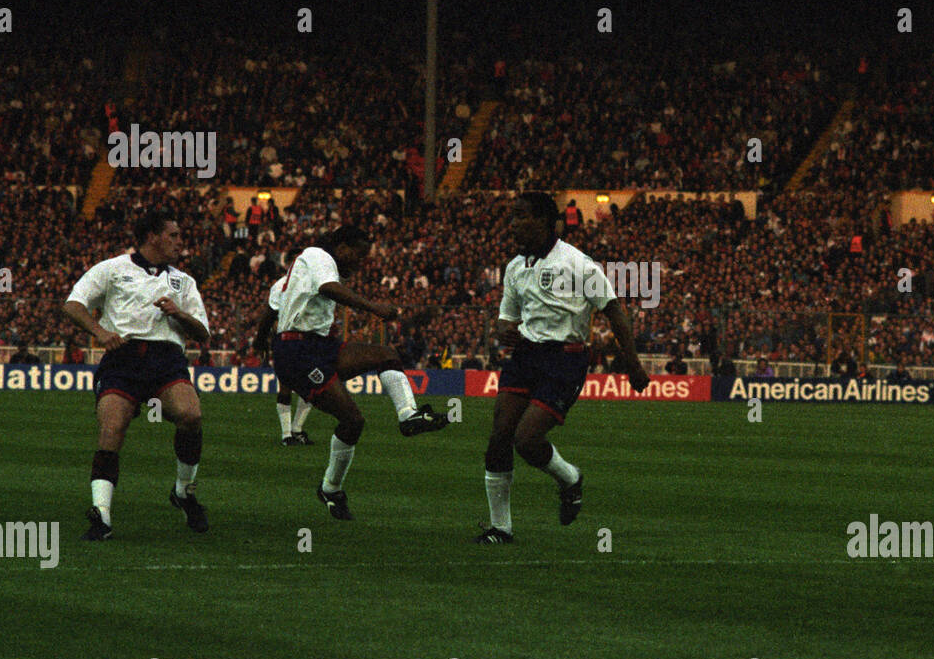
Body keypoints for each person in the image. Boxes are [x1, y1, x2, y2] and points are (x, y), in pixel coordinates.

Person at [476, 193, 649, 544]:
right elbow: (505, 320)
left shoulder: (579, 264)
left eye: (520, 217)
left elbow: (614, 311)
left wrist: (633, 365)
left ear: (543, 220)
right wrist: (503, 330)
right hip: (524, 356)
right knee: (499, 436)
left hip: (564, 360)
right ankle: (500, 528)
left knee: (527, 440)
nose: (513, 224)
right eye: (511, 217)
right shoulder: (514, 268)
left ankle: (569, 478)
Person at [268, 226, 449, 521]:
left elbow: (270, 307)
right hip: (297, 351)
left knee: (387, 355)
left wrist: (262, 336)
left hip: (320, 346)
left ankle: (408, 415)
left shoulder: (306, 268)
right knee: (352, 419)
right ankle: (330, 488)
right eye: (358, 254)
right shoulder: (318, 255)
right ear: (341, 246)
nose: (360, 261)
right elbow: (328, 288)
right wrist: (374, 307)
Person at [62, 208, 211, 540]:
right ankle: (102, 516)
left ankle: (184, 491)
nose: (179, 242)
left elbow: (203, 333)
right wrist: (99, 332)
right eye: (173, 235)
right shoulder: (113, 268)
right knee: (112, 427)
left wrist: (180, 314)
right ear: (152, 236)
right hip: (123, 359)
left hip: (166, 359)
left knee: (191, 416)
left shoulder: (183, 281)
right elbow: (74, 304)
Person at [252, 274, 314, 446]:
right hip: (286, 340)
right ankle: (286, 434)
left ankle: (297, 430)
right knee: (285, 386)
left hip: (309, 339)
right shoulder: (280, 286)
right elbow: (272, 315)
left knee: (310, 386)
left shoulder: (312, 282)